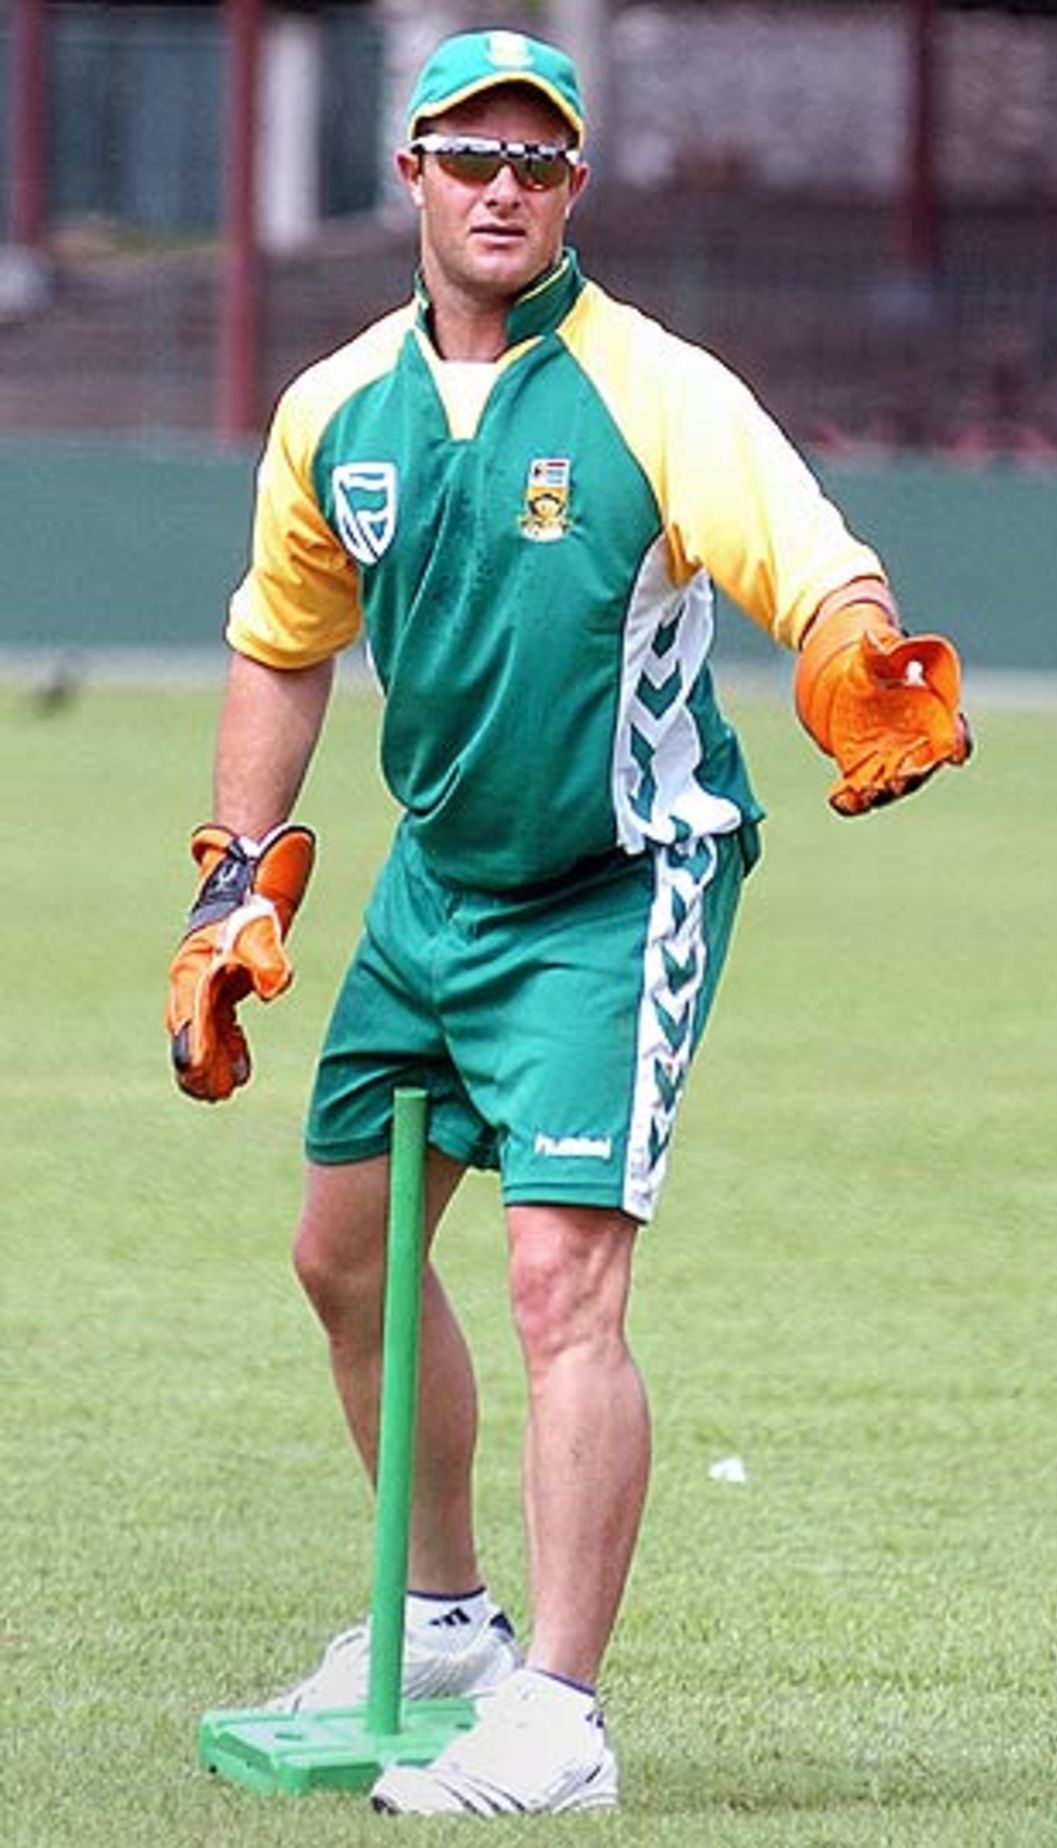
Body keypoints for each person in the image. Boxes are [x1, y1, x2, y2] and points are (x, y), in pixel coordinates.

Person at [166, 26, 971, 1819]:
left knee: (558, 1281)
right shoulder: (334, 411)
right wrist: (234, 877)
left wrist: (854, 659)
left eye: (538, 161)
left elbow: (807, 555)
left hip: (624, 877)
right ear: (415, 177)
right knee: (344, 1260)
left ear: (574, 187)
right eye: (471, 155)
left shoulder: (654, 387)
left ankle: (563, 1715)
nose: (503, 187)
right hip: (434, 884)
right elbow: (282, 646)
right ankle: (445, 1620)